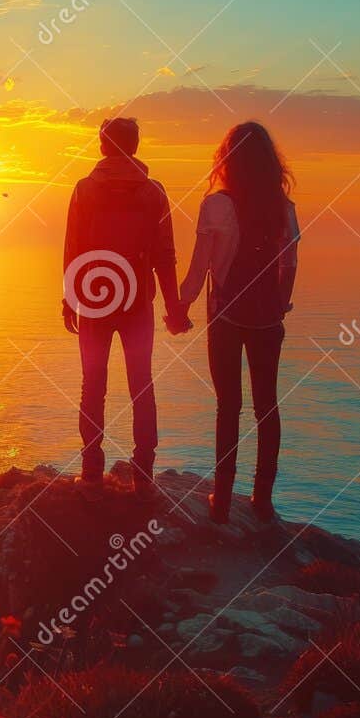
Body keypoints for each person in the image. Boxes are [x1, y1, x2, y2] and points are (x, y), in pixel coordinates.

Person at [174, 121, 299, 525]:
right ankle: (262, 497)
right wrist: (279, 304)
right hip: (267, 320)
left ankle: (223, 499)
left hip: (225, 316)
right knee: (268, 405)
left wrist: (181, 308)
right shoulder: (282, 206)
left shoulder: (216, 204)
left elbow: (199, 266)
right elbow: (290, 262)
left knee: (228, 406)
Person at [63, 117, 188, 501]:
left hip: (94, 298)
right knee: (141, 383)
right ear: (134, 146)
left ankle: (91, 470)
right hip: (136, 302)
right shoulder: (152, 192)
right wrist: (173, 308)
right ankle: (144, 473)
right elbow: (164, 255)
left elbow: (74, 247)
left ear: (102, 146)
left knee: (93, 383)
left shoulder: (85, 190)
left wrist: (69, 297)